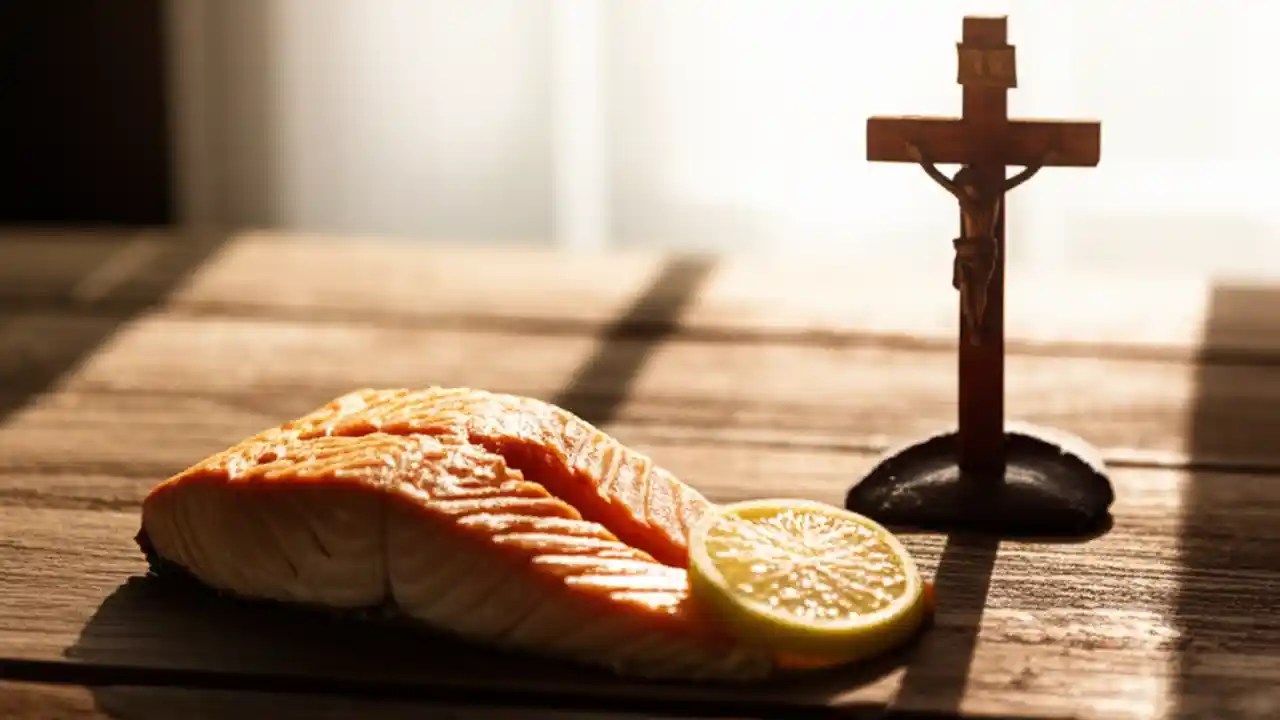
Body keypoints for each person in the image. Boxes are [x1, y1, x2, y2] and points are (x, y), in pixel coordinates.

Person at [904, 143, 1041, 344]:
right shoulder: (973, 197)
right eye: (966, 188)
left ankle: (974, 324)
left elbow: (1020, 178)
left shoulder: (988, 195)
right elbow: (940, 179)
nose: (969, 191)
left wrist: (1040, 161)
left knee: (976, 289)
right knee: (971, 289)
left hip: (980, 251)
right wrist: (922, 158)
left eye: (970, 187)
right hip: (972, 250)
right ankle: (973, 325)